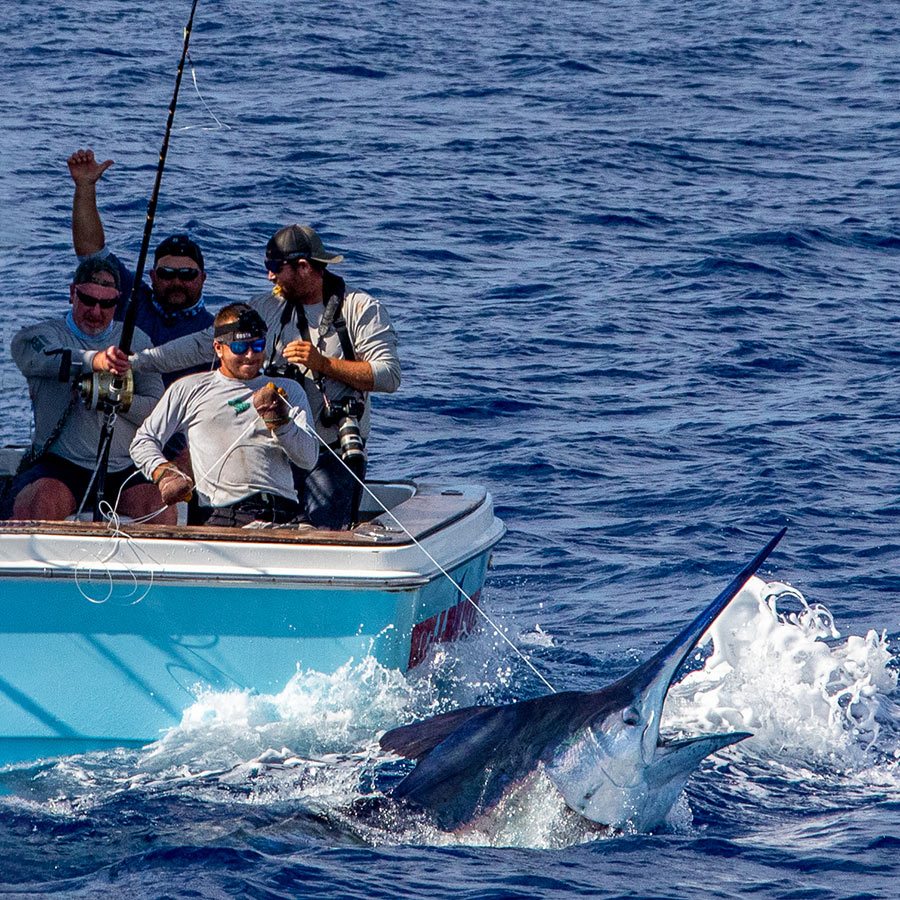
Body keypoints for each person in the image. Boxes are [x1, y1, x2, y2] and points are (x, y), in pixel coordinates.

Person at [125, 224, 401, 529]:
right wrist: (136, 362)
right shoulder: (267, 307)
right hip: (274, 449)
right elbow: (202, 345)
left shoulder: (360, 309)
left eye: (274, 268)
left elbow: (388, 376)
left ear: (304, 267)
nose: (269, 276)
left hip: (327, 452)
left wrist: (323, 364)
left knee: (324, 535)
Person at [9, 257, 169, 522]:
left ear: (118, 301)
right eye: (88, 300)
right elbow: (32, 355)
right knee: (41, 500)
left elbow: (156, 409)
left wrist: (114, 399)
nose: (96, 311)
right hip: (60, 464)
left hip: (123, 466)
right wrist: (94, 361)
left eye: (107, 304)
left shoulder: (138, 339)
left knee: (159, 505)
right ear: (73, 293)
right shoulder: (43, 334)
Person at [130, 304, 318, 528]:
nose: (250, 355)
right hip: (224, 515)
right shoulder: (189, 388)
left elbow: (308, 459)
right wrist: (164, 472)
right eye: (239, 347)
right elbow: (143, 441)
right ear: (219, 348)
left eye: (258, 346)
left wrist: (281, 423)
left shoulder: (287, 390)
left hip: (287, 512)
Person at [67, 148, 214, 384]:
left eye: (187, 275)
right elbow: (90, 251)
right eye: (167, 274)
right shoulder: (130, 295)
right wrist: (85, 186)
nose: (177, 281)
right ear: (153, 276)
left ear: (203, 278)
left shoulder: (213, 330)